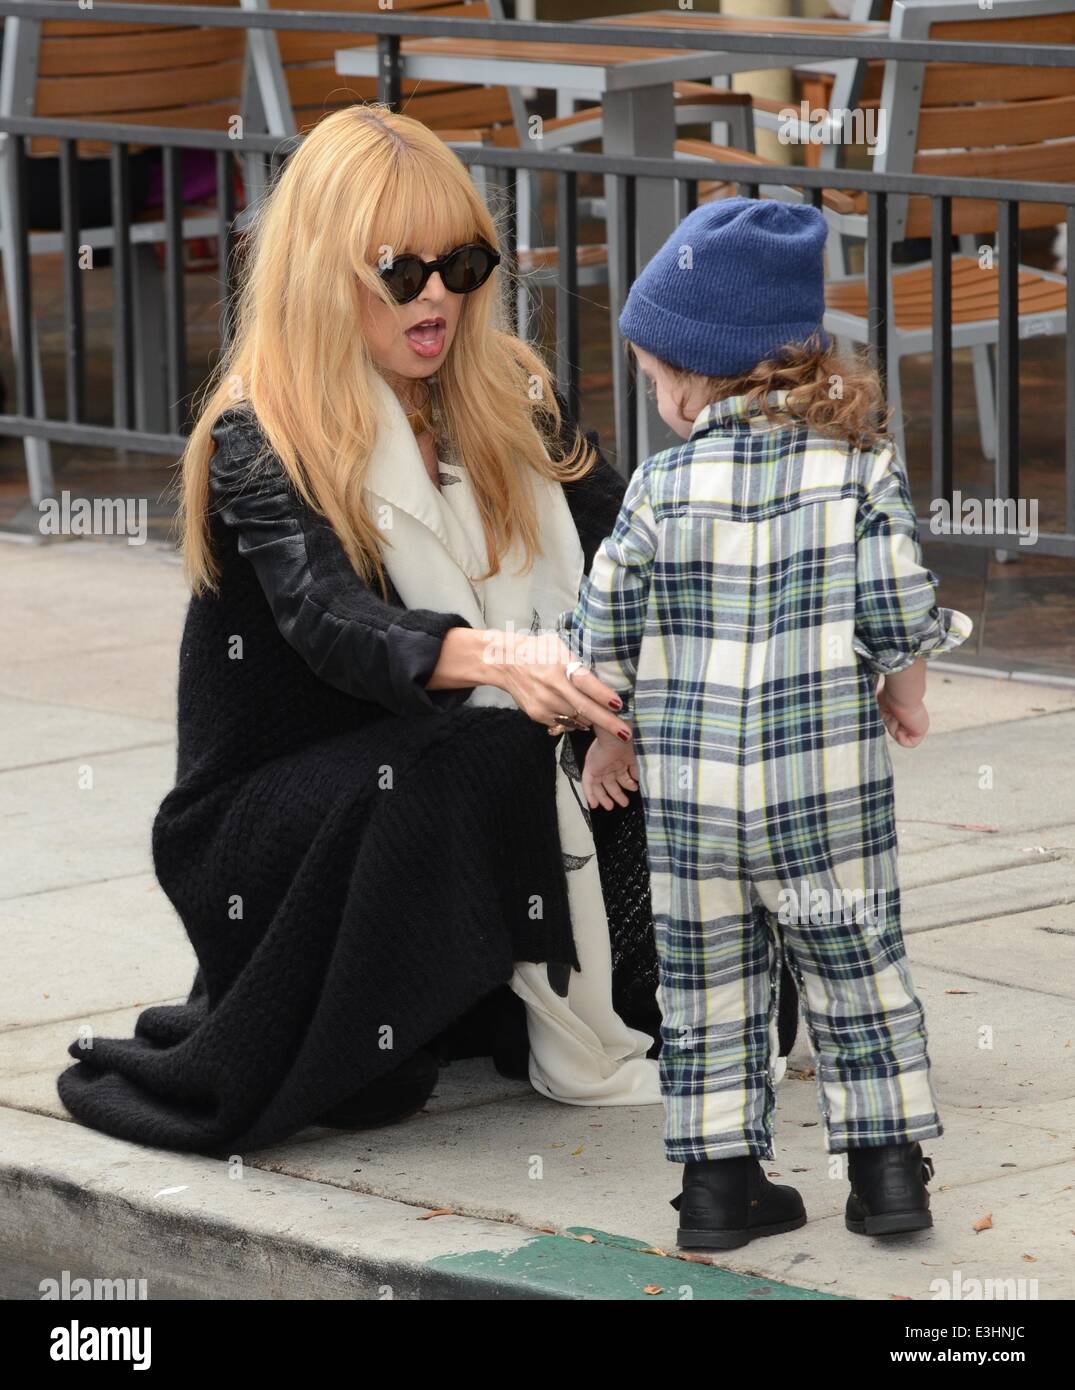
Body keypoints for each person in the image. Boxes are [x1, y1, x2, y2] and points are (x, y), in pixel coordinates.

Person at [55, 104, 676, 1155]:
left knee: (635, 719)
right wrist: (506, 658)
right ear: (324, 272)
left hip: (431, 771)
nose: (437, 292)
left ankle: (526, 995)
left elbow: (631, 546)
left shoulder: (512, 392)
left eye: (463, 262)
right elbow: (329, 620)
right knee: (493, 739)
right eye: (400, 268)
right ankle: (403, 1011)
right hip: (271, 815)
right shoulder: (263, 428)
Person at [557, 197, 973, 1251]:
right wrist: (904, 695)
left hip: (695, 811)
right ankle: (885, 1178)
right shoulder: (858, 469)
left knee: (709, 990)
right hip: (823, 801)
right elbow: (897, 607)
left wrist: (610, 732)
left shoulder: (660, 484)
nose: (656, 398)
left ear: (702, 373)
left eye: (657, 375)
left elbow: (601, 638)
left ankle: (717, 1190)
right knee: (856, 972)